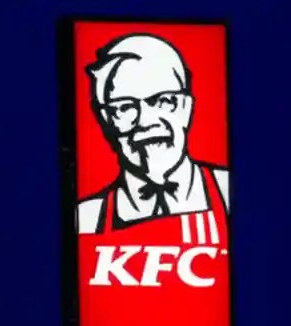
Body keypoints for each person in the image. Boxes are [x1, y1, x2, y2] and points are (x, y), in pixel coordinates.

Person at [77, 33, 229, 237]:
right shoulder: (86, 220)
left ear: (186, 107)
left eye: (164, 101)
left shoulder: (231, 193)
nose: (146, 121)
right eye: (124, 107)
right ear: (106, 120)